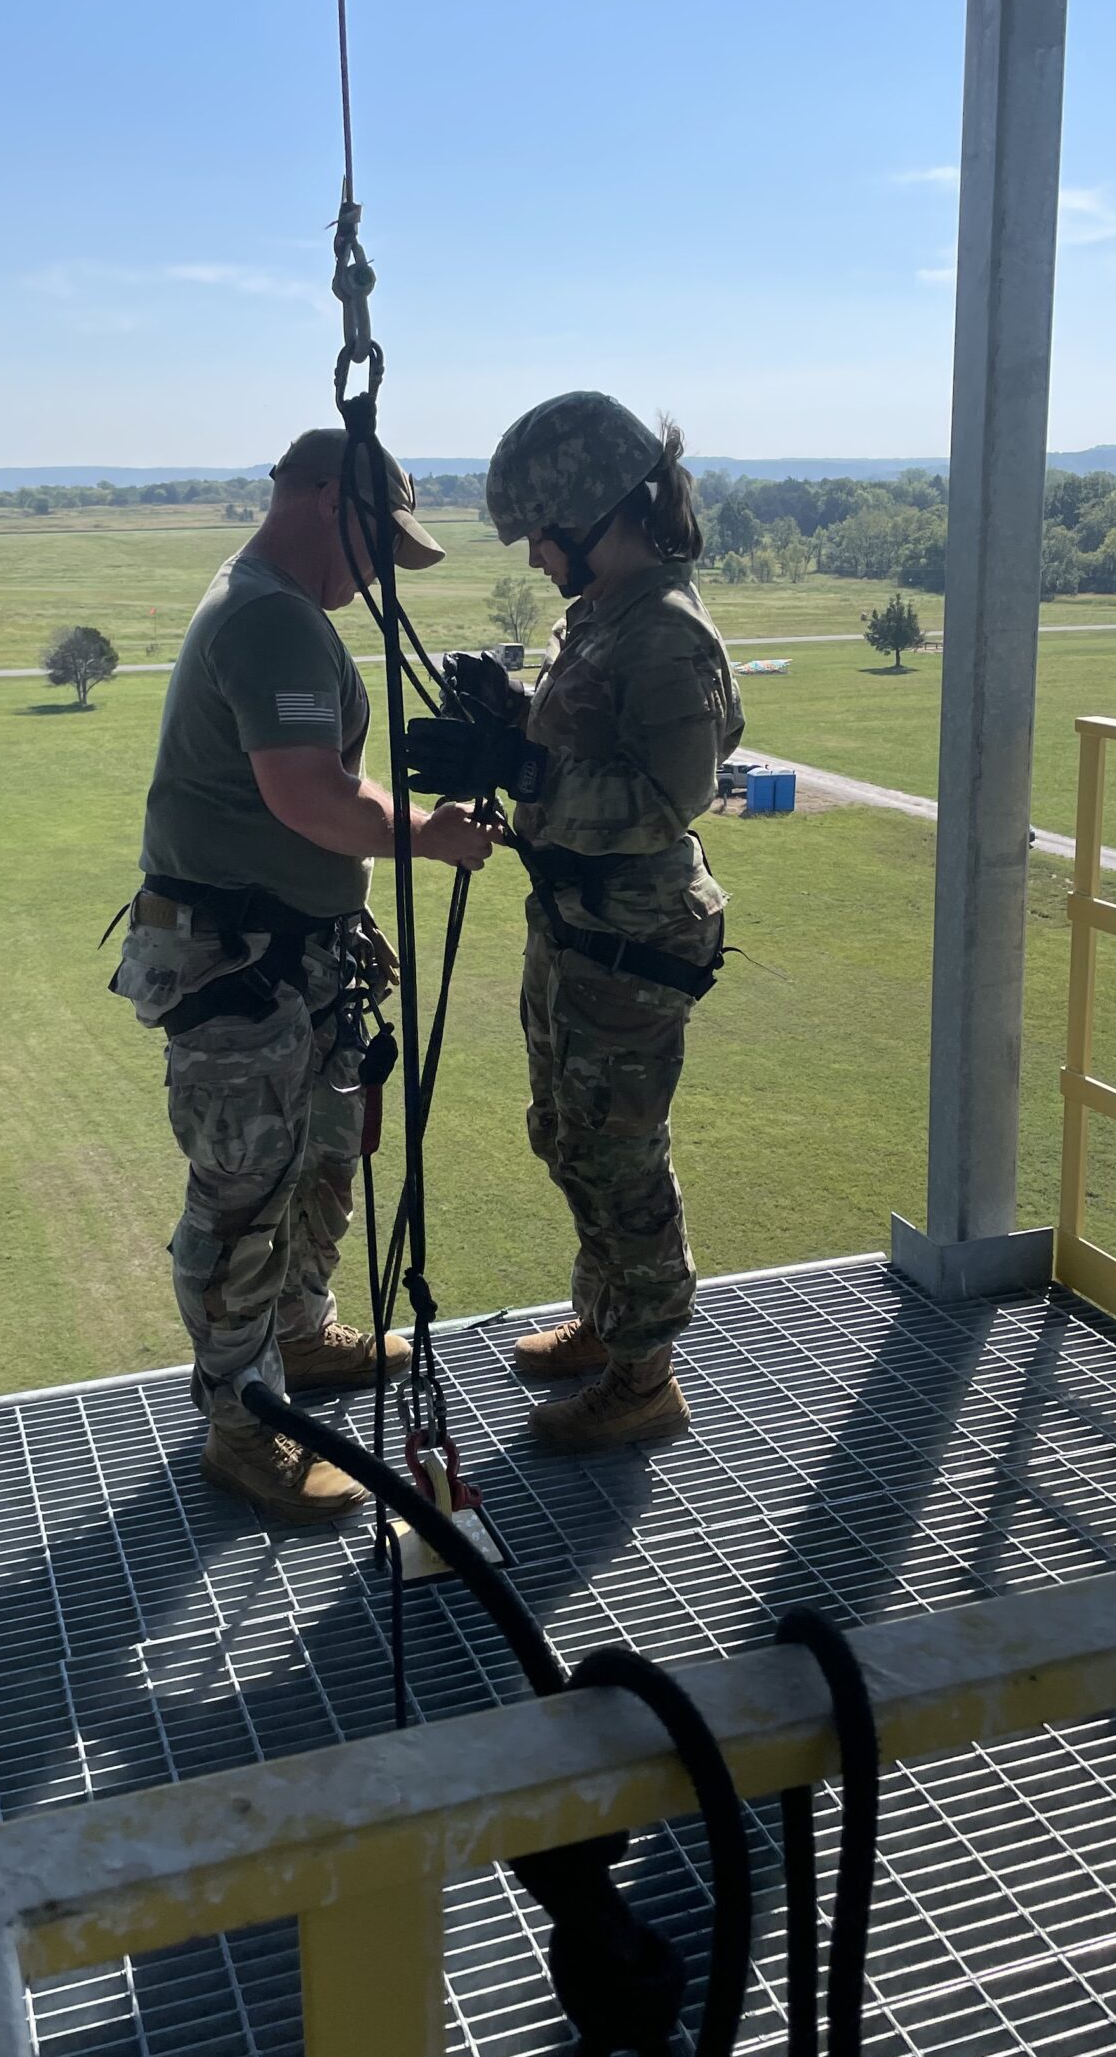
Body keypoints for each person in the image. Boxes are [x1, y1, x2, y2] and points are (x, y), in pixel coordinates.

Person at [110, 428, 495, 1525]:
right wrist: (433, 836)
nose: (380, 574)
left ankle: (299, 1333)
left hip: (292, 959)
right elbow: (311, 802)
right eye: (379, 543)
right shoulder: (273, 617)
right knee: (241, 1198)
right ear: (326, 499)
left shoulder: (280, 603)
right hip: (245, 975)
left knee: (321, 1159)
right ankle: (244, 1425)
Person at [408, 392, 743, 1453]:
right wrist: (509, 717)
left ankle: (645, 1375)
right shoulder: (607, 614)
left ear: (599, 512)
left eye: (545, 535)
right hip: (575, 920)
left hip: (631, 937)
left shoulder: (667, 635)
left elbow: (664, 800)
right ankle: (610, 1324)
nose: (539, 556)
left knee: (617, 1152)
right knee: (567, 1134)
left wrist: (524, 763)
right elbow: (577, 745)